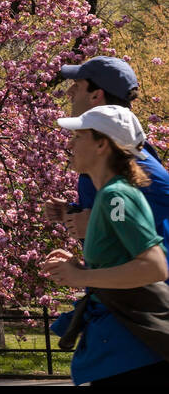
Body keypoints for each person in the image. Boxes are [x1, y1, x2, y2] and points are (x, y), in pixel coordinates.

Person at [44, 105, 169, 385]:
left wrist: (81, 276)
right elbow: (123, 262)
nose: (70, 143)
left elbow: (154, 266)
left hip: (132, 355)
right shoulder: (109, 197)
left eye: (78, 137)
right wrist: (79, 265)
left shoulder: (116, 198)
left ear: (102, 143)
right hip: (122, 350)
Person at [45, 56, 169, 258]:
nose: (69, 92)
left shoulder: (127, 153)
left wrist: (96, 222)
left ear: (96, 96)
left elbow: (165, 197)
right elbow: (122, 210)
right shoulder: (100, 150)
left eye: (77, 85)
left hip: (142, 286)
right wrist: (72, 212)